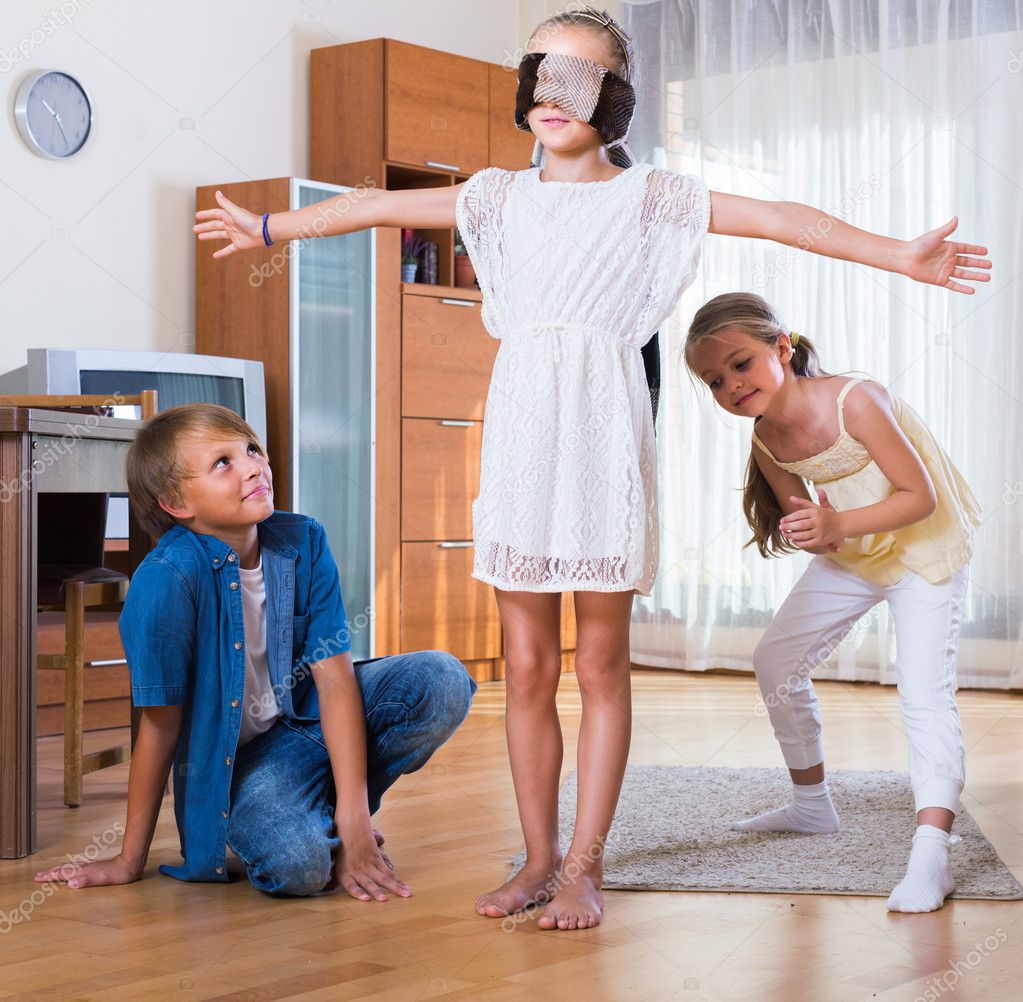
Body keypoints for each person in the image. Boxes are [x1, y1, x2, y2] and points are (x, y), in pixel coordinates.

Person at [191, 7, 990, 930]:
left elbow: (779, 219)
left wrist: (896, 253)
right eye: (539, 72)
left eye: (576, 77)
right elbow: (371, 204)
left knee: (599, 663)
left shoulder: (653, 198)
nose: (551, 92)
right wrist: (267, 224)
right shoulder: (494, 196)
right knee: (526, 668)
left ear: (612, 100)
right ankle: (536, 860)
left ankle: (583, 865)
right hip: (523, 435)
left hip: (606, 433)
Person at [33, 404, 476, 899]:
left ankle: (335, 819)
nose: (252, 466)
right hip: (240, 767)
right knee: (300, 871)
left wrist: (354, 824)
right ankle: (299, 821)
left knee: (442, 678)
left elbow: (334, 679)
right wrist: (128, 859)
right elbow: (160, 726)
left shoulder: (304, 540)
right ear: (176, 502)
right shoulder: (165, 580)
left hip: (309, 724)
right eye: (222, 462)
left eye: (251, 449)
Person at [685, 291, 982, 913]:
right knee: (775, 662)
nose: (730, 385)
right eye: (714, 380)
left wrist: (837, 523)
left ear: (782, 349)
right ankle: (811, 806)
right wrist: (814, 529)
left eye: (740, 364)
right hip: (855, 554)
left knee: (924, 693)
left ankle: (932, 854)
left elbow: (919, 496)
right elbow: (808, 518)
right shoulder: (766, 438)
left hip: (922, 550)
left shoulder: (856, 399)